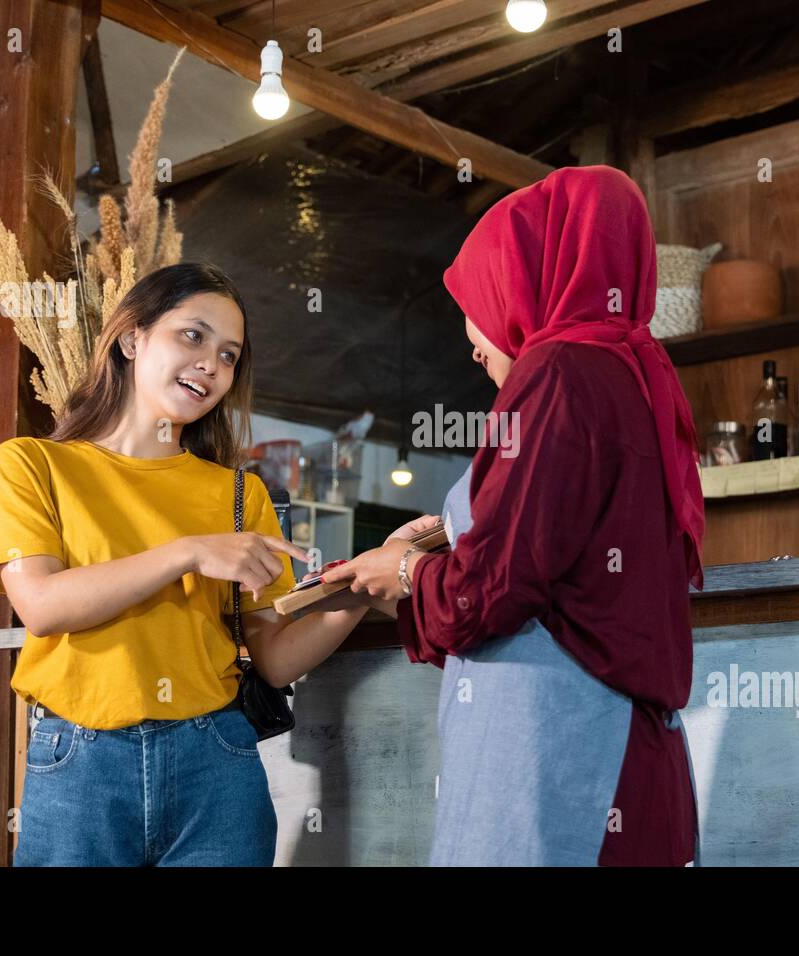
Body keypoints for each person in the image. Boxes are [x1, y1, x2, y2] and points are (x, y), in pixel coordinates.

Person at [325, 165, 706, 866]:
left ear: (530, 274)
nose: (472, 339)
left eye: (481, 293)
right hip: (625, 759)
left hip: (565, 763)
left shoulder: (559, 370)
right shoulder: (633, 373)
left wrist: (406, 571)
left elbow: (491, 595)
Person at [0, 263, 370, 866]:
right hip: (80, 762)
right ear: (132, 339)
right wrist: (188, 551)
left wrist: (355, 596)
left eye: (229, 355)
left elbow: (274, 658)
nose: (212, 363)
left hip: (217, 763)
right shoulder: (32, 465)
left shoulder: (242, 496)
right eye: (193, 336)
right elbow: (44, 606)